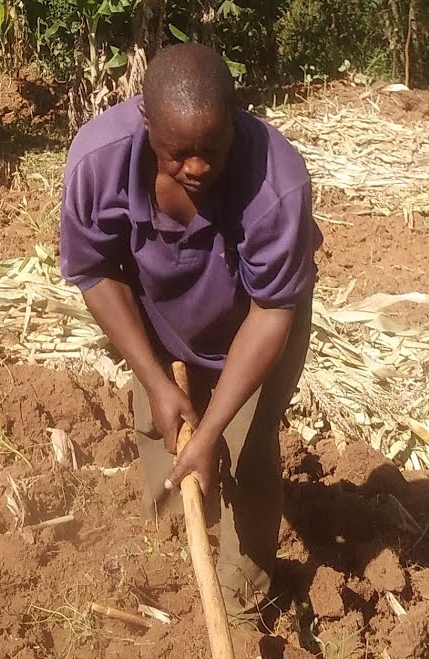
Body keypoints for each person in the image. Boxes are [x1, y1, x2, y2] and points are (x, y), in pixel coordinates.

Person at [58, 43, 322, 618]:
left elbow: (271, 311)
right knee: (160, 422)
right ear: (145, 121)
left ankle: (242, 591)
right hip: (158, 311)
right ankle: (172, 540)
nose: (198, 168)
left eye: (213, 148)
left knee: (246, 452)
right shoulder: (97, 161)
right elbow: (94, 271)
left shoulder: (276, 181)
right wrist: (154, 377)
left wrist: (212, 433)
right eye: (179, 153)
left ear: (236, 118)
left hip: (257, 326)